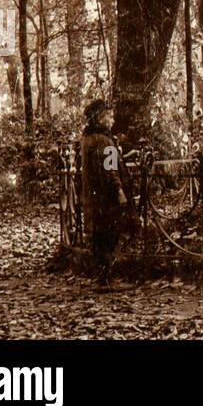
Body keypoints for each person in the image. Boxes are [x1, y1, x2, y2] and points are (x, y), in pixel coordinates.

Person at [79, 99, 131, 288]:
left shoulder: (87, 138)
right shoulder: (104, 140)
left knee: (98, 236)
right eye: (109, 116)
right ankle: (106, 277)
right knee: (109, 234)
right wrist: (119, 190)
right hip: (106, 197)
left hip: (93, 197)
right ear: (100, 118)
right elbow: (109, 170)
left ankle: (102, 276)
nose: (113, 120)